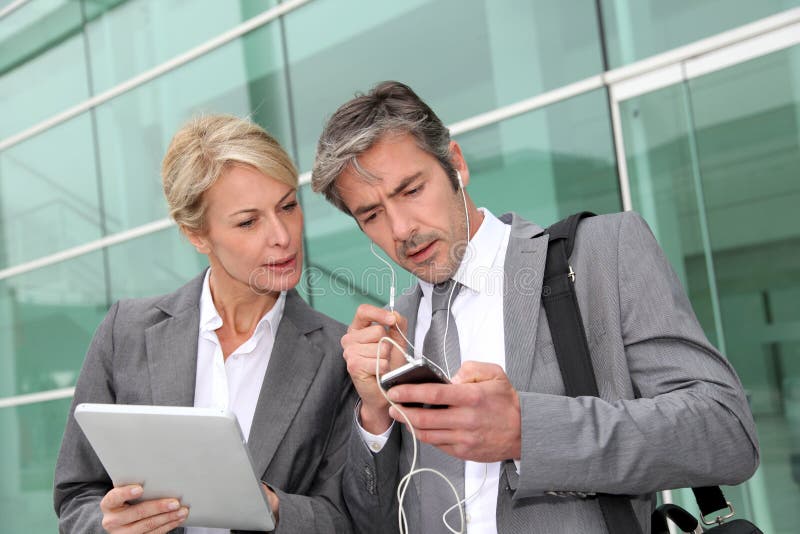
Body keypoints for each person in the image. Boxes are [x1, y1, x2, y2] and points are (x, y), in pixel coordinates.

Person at [310, 81, 760, 533]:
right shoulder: (394, 332)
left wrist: (525, 431)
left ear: (456, 164)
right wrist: (374, 416)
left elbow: (726, 432)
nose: (402, 228)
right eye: (371, 215)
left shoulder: (602, 254)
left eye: (411, 190)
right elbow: (371, 522)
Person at [54, 115, 355, 534]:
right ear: (196, 235)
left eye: (287, 206)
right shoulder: (126, 332)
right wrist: (109, 526)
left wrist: (271, 507)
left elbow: (350, 519)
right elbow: (76, 495)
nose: (283, 236)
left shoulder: (339, 354)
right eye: (249, 221)